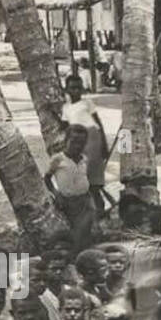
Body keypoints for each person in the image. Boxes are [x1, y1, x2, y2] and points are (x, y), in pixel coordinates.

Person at [61, 74, 110, 216]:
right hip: (77, 140)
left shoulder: (87, 103)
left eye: (78, 88)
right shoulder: (66, 108)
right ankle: (88, 211)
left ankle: (100, 210)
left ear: (82, 89)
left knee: (94, 178)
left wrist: (104, 145)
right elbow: (64, 126)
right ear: (67, 90)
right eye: (72, 88)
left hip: (93, 137)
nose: (76, 91)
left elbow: (98, 123)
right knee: (81, 176)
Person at [45, 124, 97, 251]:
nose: (77, 146)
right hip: (68, 202)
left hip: (85, 201)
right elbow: (47, 178)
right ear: (66, 141)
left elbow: (84, 178)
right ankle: (75, 255)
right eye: (73, 142)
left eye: (81, 143)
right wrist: (56, 194)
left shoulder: (84, 159)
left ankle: (85, 255)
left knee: (86, 231)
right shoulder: (58, 159)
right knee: (75, 232)